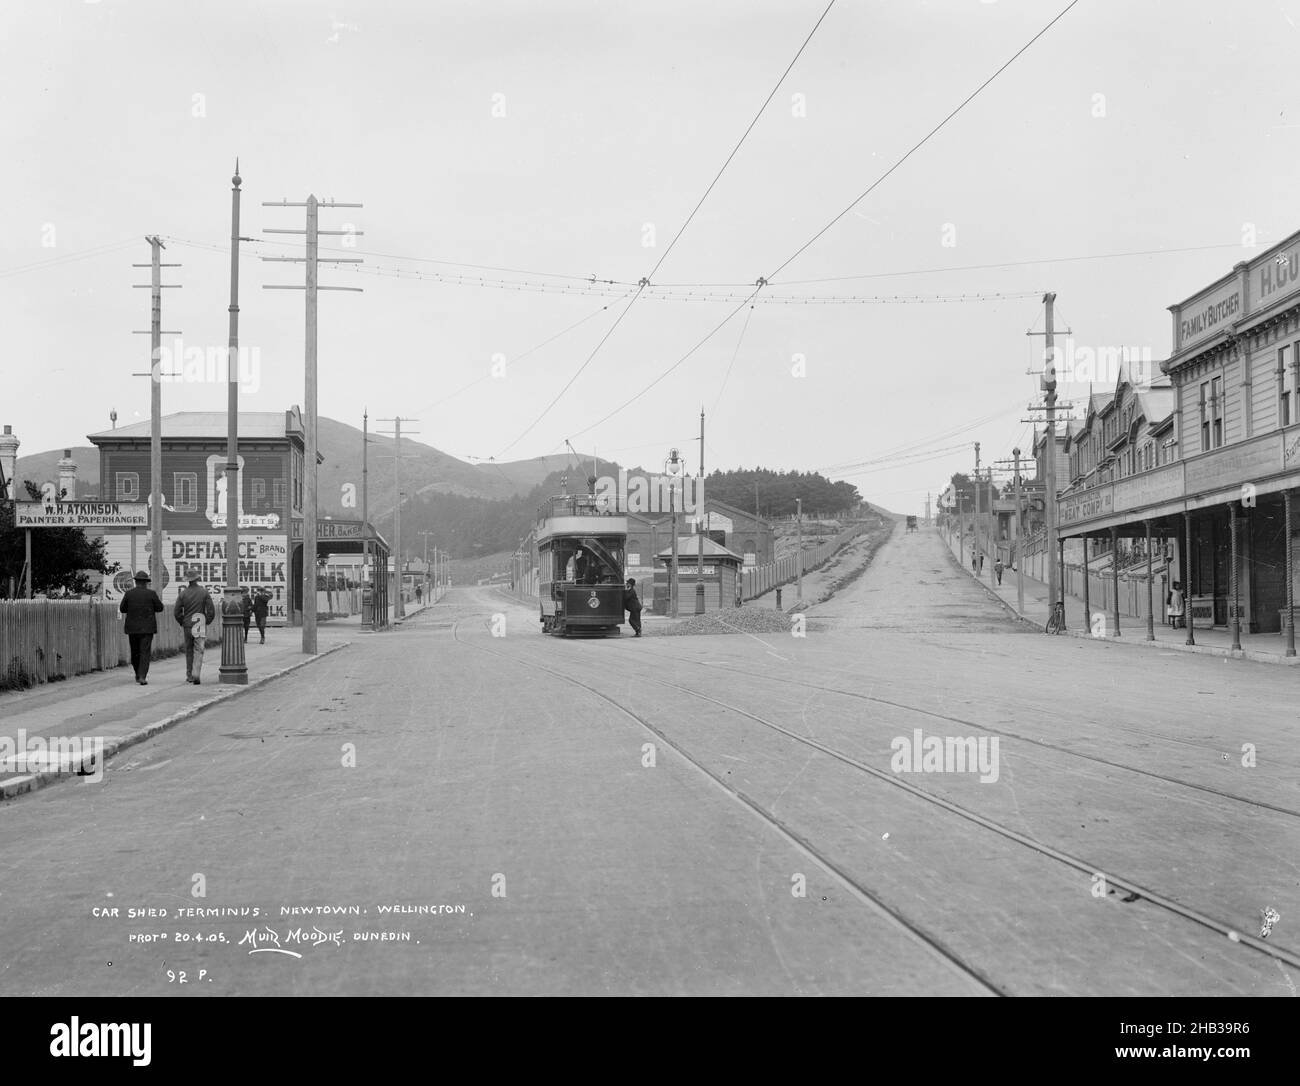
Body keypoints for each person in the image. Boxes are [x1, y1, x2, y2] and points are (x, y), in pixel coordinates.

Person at [119, 570, 163, 685]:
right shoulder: (151, 594)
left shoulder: (129, 594)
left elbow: (122, 609)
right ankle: (142, 676)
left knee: (135, 652)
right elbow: (160, 608)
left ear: (136, 581)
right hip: (147, 628)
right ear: (146, 582)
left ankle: (137, 674)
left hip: (132, 628)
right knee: (145, 652)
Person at [174, 569, 216, 684]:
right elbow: (211, 610)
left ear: (188, 580)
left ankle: (189, 675)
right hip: (200, 624)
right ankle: (196, 673)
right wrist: (206, 621)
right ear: (197, 579)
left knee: (189, 650)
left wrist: (182, 621)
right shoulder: (204, 592)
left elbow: (176, 611)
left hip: (187, 625)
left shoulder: (183, 593)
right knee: (199, 650)